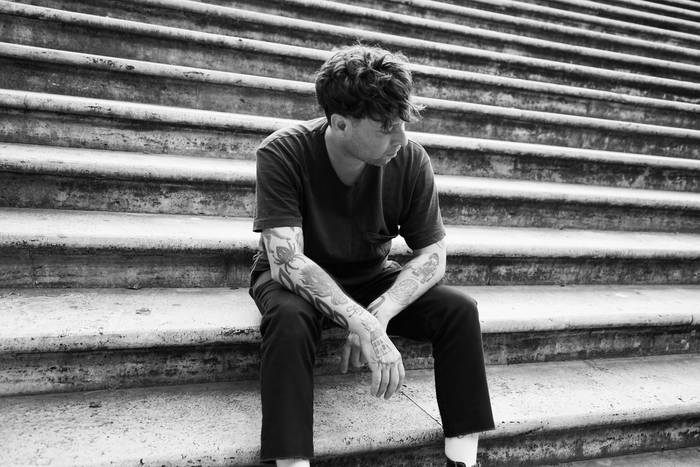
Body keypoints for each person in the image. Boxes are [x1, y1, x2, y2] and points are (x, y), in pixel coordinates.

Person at [248, 45, 495, 467]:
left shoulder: (410, 159)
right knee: (288, 319)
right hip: (295, 277)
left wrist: (382, 311)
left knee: (459, 310)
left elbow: (433, 254)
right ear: (340, 123)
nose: (401, 138)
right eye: (385, 127)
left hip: (370, 274)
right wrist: (360, 321)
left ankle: (463, 460)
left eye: (402, 123)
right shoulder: (283, 152)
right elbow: (287, 262)